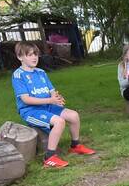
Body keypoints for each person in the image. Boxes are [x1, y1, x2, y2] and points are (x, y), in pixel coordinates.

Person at [11, 41, 96, 169]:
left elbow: (51, 91)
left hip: (48, 106)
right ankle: (49, 157)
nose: (34, 57)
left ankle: (75, 146)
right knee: (59, 122)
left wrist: (57, 98)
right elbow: (26, 99)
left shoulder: (41, 72)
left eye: (35, 54)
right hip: (31, 111)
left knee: (73, 115)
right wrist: (50, 100)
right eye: (29, 55)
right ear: (20, 57)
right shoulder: (18, 75)